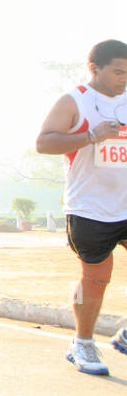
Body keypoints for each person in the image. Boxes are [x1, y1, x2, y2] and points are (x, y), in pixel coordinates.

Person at [36, 39, 127, 374]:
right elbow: (44, 142)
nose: (124, 78)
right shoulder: (75, 101)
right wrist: (91, 136)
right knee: (96, 278)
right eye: (118, 71)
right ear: (95, 69)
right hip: (90, 208)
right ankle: (82, 342)